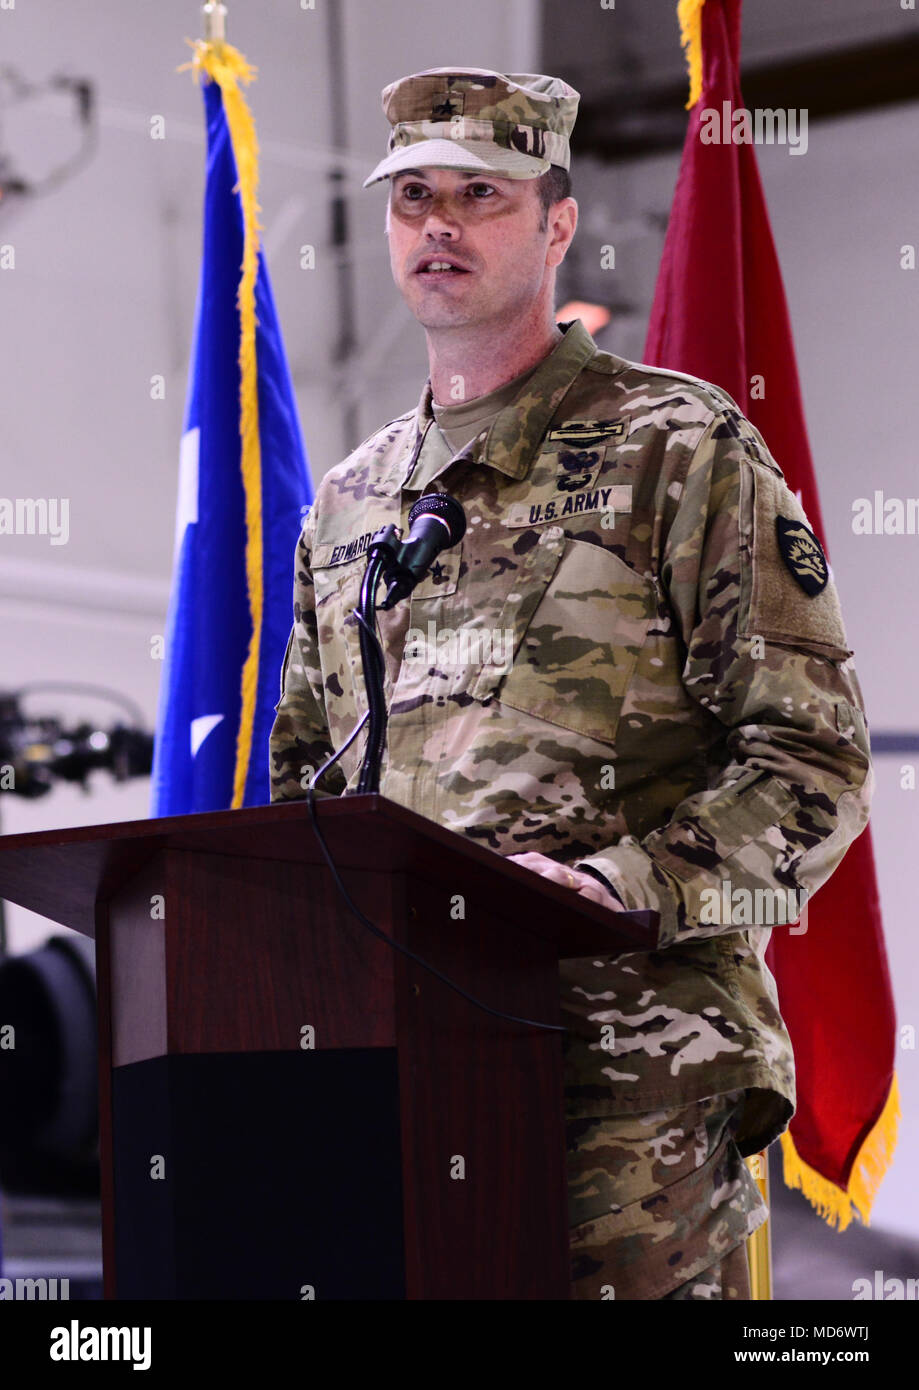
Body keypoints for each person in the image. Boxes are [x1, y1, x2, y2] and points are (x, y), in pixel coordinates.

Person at [269, 67, 872, 1299]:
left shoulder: (677, 445)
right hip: (397, 1069)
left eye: (477, 194)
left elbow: (809, 757)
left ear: (555, 224)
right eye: (412, 197)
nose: (436, 224)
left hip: (622, 1083)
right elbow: (299, 777)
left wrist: (613, 886)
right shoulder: (348, 498)